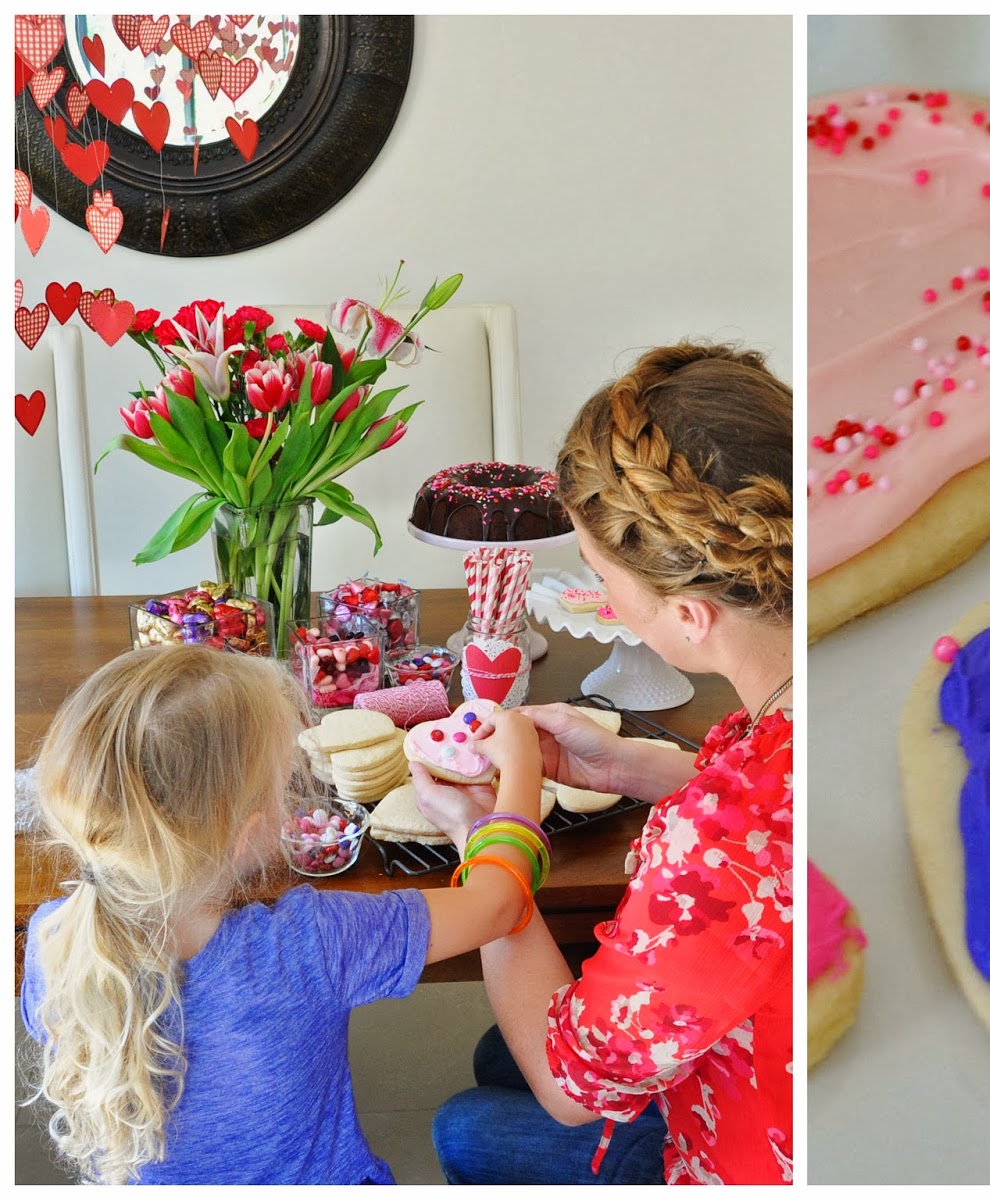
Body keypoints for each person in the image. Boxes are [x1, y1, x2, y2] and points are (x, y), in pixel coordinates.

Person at [417, 341, 794, 1185]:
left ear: (691, 616)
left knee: (469, 1121)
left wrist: (492, 840)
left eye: (599, 574)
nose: (602, 593)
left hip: (764, 1152)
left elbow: (567, 1086)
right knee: (493, 1052)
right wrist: (632, 767)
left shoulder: (717, 848)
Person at [18, 646, 549, 1185]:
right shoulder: (307, 942)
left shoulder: (53, 935)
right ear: (250, 835)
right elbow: (498, 905)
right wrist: (523, 765)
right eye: (286, 780)